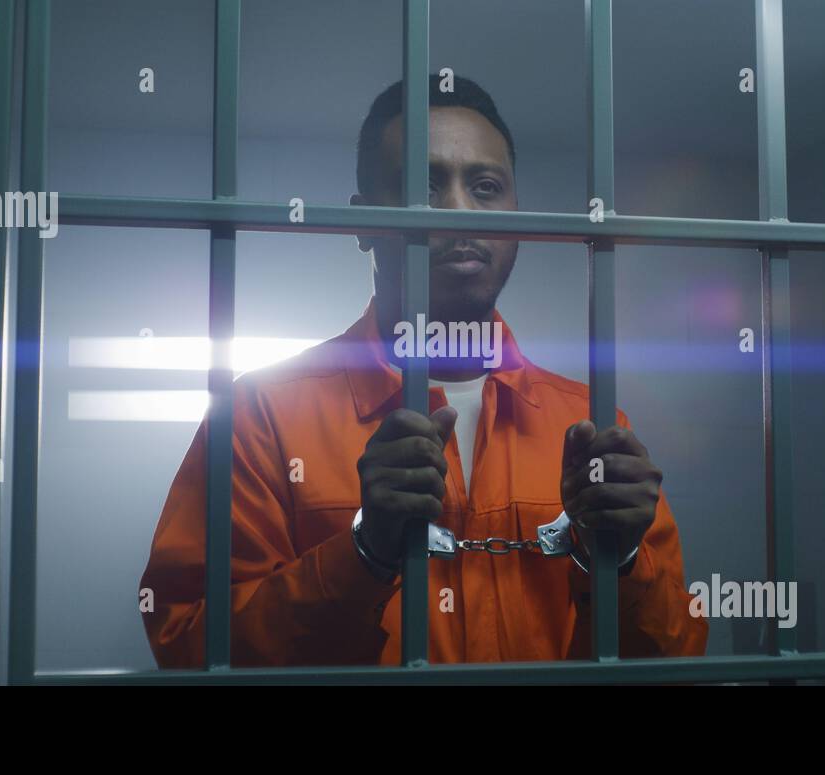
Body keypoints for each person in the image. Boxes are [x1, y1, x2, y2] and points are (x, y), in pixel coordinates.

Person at [139, 75, 708, 667]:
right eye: (424, 187)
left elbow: (675, 661)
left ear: (516, 211)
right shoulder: (260, 415)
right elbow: (188, 647)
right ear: (362, 222)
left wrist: (616, 560)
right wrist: (364, 553)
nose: (461, 211)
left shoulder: (590, 422)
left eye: (486, 187)